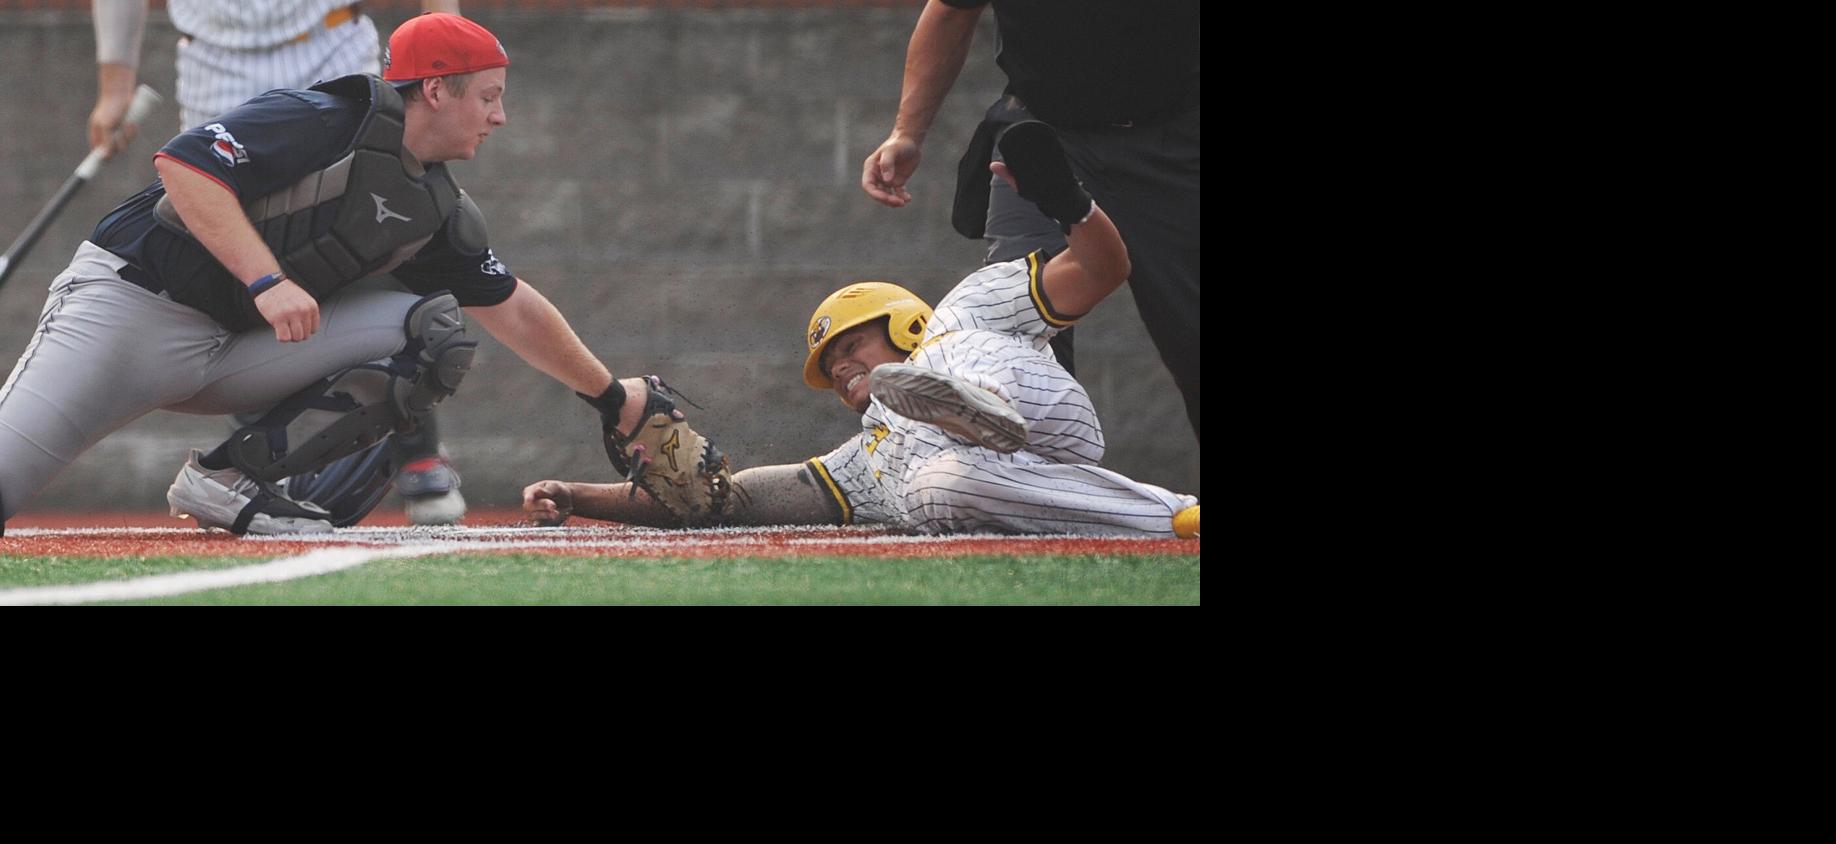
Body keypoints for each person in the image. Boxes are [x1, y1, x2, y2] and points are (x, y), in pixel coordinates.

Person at [1, 13, 717, 537]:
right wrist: (267, 281)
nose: (500, 117)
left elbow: (512, 306)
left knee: (431, 330)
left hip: (236, 350)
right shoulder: (320, 117)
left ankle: (227, 480)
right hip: (131, 314)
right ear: (435, 91)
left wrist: (610, 398)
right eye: (489, 96)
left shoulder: (435, 206)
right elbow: (183, 168)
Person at [525, 122, 1199, 540]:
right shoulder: (869, 459)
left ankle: (973, 402)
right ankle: (1177, 514)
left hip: (1048, 417)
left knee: (950, 347)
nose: (841, 368)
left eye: (850, 346)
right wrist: (577, 494)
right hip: (1029, 478)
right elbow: (725, 500)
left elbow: (1105, 268)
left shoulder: (967, 306)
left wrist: (1068, 205)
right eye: (831, 367)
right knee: (935, 489)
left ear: (903, 322)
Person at [88, 0, 470, 524]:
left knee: (374, 224)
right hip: (214, 63)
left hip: (329, 44)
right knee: (234, 253)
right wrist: (114, 85)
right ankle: (261, 458)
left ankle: (415, 447)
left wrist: (449, 54)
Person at [860, 0, 1201, 442]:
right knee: (1015, 316)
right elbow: (950, 12)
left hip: (1174, 138)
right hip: (1043, 133)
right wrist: (907, 132)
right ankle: (1014, 461)